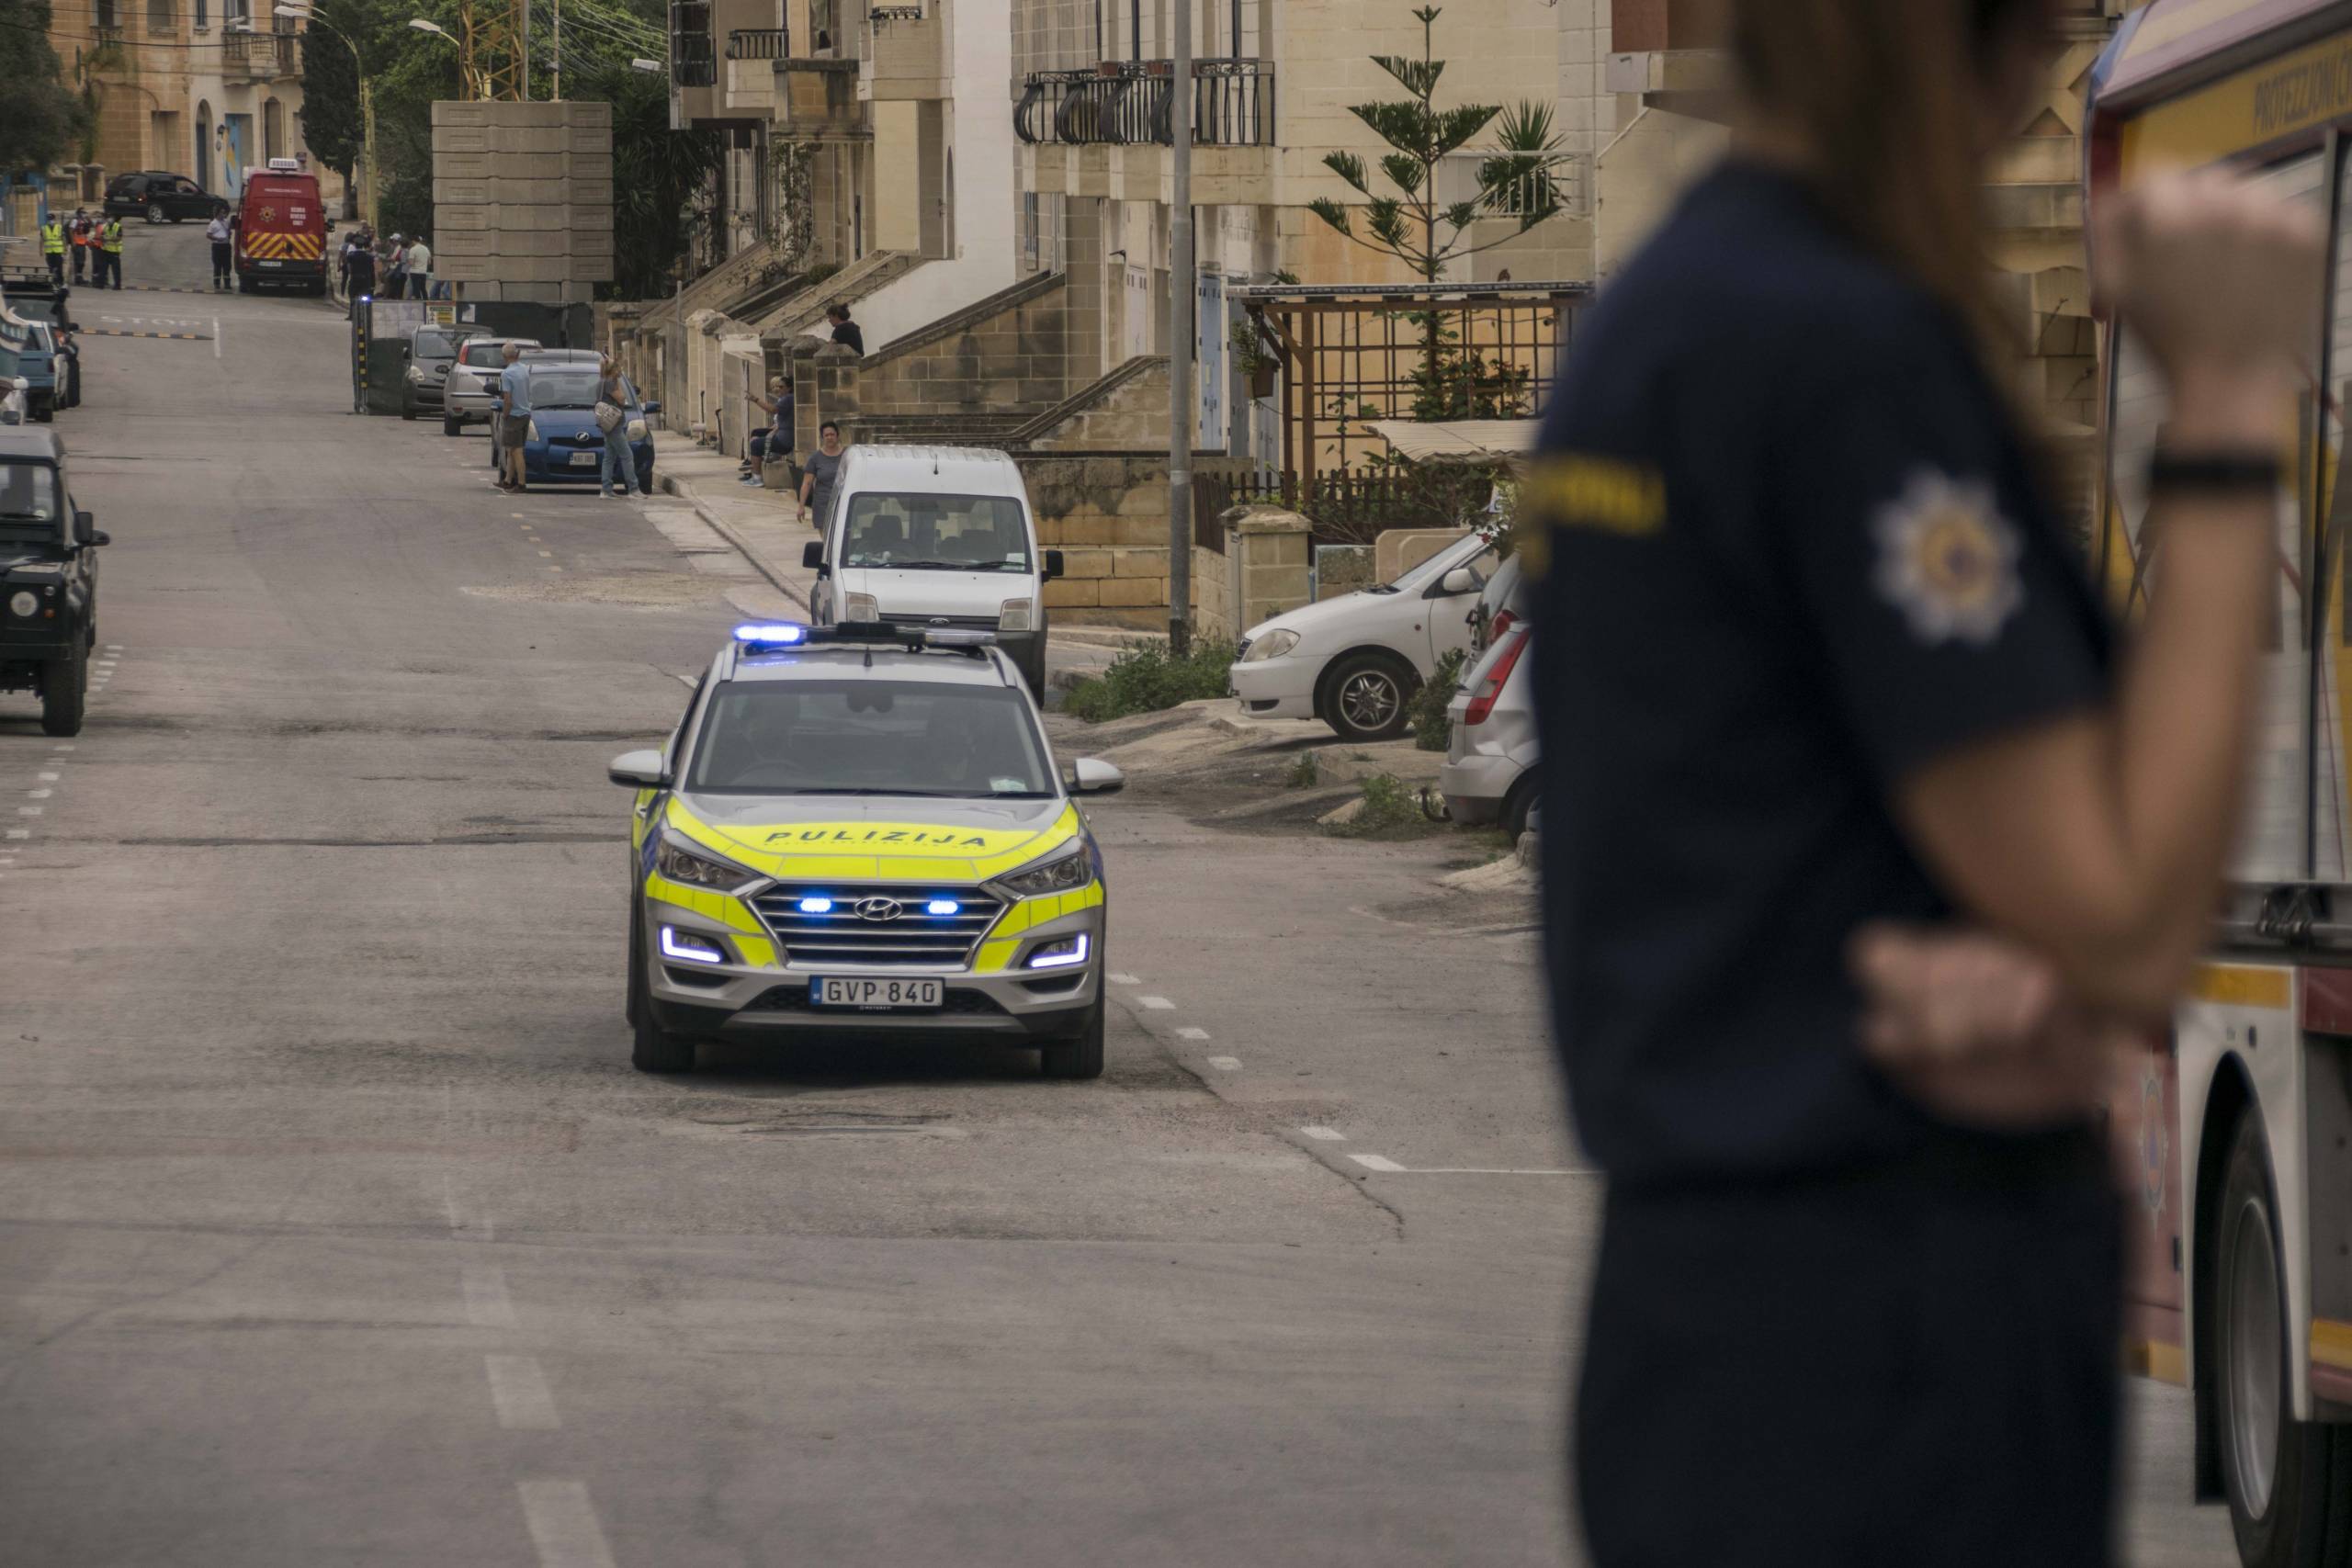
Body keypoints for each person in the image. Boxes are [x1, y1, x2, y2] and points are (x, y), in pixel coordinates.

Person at [1523, 2, 2323, 1564]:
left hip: (1705, 1325)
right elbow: (2128, 917)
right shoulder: (1841, 349)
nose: (2028, 100)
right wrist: (2229, 401)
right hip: (1880, 1335)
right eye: (2028, 43)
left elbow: (1769, 800)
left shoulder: (1658, 324)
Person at [594, 355, 641, 500]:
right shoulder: (610, 383)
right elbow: (621, 399)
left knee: (609, 457)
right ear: (613, 370)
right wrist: (618, 383)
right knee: (627, 455)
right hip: (614, 426)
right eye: (619, 368)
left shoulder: (601, 382)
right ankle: (633, 489)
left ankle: (606, 489)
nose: (621, 370)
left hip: (608, 424)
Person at [494, 342, 532, 493]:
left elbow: (507, 399)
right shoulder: (524, 369)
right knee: (511, 449)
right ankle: (507, 480)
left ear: (504, 356)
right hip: (526, 413)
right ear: (517, 354)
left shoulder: (507, 374)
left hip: (514, 415)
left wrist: (505, 414)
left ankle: (521, 483)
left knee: (517, 451)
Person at [741, 376, 792, 485]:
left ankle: (757, 478)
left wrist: (755, 400)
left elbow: (772, 409)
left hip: (784, 440)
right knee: (756, 435)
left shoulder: (788, 399)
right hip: (781, 434)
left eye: (781, 387)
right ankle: (754, 465)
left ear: (789, 388)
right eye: (776, 386)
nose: (778, 389)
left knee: (755, 445)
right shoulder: (786, 399)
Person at [797, 421, 844, 525]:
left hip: (843, 503)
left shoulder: (847, 455)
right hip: (822, 505)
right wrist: (801, 506)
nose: (829, 437)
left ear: (837, 435)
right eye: (826, 435)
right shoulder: (815, 458)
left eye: (832, 434)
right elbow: (807, 483)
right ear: (822, 437)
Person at [205, 205, 234, 292]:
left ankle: (227, 284)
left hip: (226, 246)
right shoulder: (213, 223)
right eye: (222, 213)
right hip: (217, 246)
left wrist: (229, 234)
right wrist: (217, 238)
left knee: (227, 266)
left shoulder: (227, 222)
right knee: (217, 265)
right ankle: (217, 284)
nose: (224, 214)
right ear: (217, 213)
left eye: (224, 213)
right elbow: (208, 235)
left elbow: (229, 231)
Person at [95, 215, 123, 290]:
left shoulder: (118, 226)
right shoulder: (106, 226)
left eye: (110, 218)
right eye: (108, 218)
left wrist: (108, 239)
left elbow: (119, 238)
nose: (109, 220)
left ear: (113, 219)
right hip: (106, 251)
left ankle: (117, 285)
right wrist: (102, 238)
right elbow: (102, 235)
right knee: (103, 268)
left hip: (114, 252)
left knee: (116, 270)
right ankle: (100, 284)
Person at [68, 209, 92, 286]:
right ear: (79, 213)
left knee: (82, 262)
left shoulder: (84, 221)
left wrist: (88, 219)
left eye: (85, 213)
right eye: (83, 213)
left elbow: (87, 230)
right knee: (79, 261)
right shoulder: (75, 220)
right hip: (77, 243)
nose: (84, 214)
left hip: (83, 243)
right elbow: (71, 230)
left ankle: (79, 277)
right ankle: (77, 279)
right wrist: (73, 242)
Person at [40, 214, 64, 286]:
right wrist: (40, 250)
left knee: (59, 266)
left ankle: (60, 281)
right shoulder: (44, 228)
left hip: (58, 250)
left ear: (54, 219)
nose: (50, 221)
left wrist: (65, 248)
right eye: (49, 219)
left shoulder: (59, 227)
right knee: (51, 266)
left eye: (52, 219)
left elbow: (63, 238)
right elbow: (41, 239)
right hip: (49, 251)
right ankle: (54, 280)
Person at [405, 234, 432, 299]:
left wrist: (408, 260)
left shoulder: (413, 249)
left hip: (415, 271)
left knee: (416, 287)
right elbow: (429, 262)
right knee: (423, 288)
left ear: (413, 241)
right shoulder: (426, 249)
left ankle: (418, 300)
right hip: (423, 272)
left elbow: (411, 263)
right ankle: (426, 301)